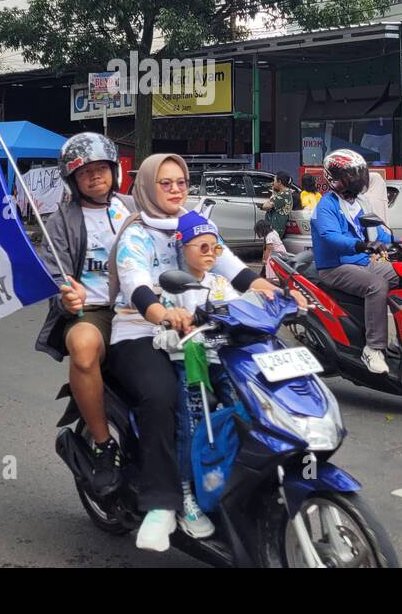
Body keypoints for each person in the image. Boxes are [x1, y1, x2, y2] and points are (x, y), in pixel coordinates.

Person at [106, 152, 281, 554]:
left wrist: (275, 292)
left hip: (200, 332)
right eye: (164, 183)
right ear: (148, 187)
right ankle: (166, 502)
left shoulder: (194, 222)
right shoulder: (137, 231)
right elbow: (135, 283)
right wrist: (161, 313)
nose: (174, 190)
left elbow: (231, 267)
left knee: (248, 387)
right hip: (139, 330)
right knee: (165, 397)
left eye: (180, 182)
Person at [35, 133, 135, 497]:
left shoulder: (134, 207)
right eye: (84, 172)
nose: (94, 177)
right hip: (92, 312)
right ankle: (103, 444)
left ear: (114, 170)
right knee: (83, 345)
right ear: (73, 180)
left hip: (141, 308)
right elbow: (53, 273)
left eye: (100, 169)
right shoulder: (61, 220)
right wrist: (67, 294)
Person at [152, 210, 248, 540]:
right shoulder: (170, 285)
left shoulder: (221, 284)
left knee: (244, 416)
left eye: (215, 248)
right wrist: (179, 332)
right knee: (190, 430)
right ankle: (185, 497)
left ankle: (232, 481)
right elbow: (157, 335)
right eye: (202, 247)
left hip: (224, 364)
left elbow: (242, 314)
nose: (210, 254)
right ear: (182, 245)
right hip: (188, 368)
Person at [310, 149, 396, 375]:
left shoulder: (362, 204)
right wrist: (361, 245)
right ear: (336, 178)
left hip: (362, 261)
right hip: (335, 267)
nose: (359, 179)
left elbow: (380, 236)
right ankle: (373, 348)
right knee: (376, 285)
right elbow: (331, 238)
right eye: (352, 175)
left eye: (360, 173)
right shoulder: (326, 206)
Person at [255, 218, 289, 285]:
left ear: (262, 230)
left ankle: (271, 279)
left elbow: (268, 249)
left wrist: (265, 259)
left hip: (275, 253)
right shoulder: (274, 232)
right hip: (282, 251)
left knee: (270, 265)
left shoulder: (269, 237)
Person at [260, 171, 293, 236]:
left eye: (274, 180)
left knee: (271, 245)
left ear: (279, 182)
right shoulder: (285, 193)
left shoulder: (283, 194)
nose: (273, 183)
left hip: (276, 228)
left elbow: (266, 206)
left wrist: (265, 203)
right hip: (276, 227)